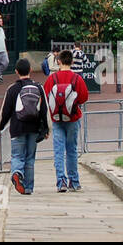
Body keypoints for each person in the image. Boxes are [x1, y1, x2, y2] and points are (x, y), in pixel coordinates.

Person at [0, 58, 48, 195]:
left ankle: (17, 173)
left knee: (17, 156)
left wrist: (1, 126)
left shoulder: (12, 89)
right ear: (30, 70)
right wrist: (46, 128)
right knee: (30, 158)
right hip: (33, 128)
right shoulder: (38, 87)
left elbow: (6, 111)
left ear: (16, 72)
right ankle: (28, 188)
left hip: (17, 128)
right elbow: (44, 109)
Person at [43, 48, 90, 192]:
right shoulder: (77, 79)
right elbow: (83, 98)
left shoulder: (52, 79)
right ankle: (74, 181)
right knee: (72, 150)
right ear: (72, 62)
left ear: (59, 61)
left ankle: (61, 182)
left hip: (56, 119)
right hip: (73, 118)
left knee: (58, 151)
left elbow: (45, 98)